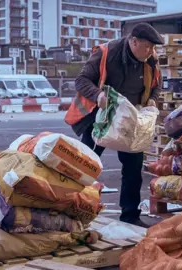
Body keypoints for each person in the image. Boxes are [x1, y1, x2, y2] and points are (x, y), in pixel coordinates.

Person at [64, 23, 164, 227]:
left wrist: (153, 99)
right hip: (102, 117)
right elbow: (81, 80)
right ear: (133, 41)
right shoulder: (106, 52)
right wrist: (98, 94)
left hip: (130, 120)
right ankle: (70, 212)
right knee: (86, 165)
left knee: (133, 169)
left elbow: (155, 85)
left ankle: (130, 215)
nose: (151, 52)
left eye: (153, 48)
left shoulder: (150, 59)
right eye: (147, 47)